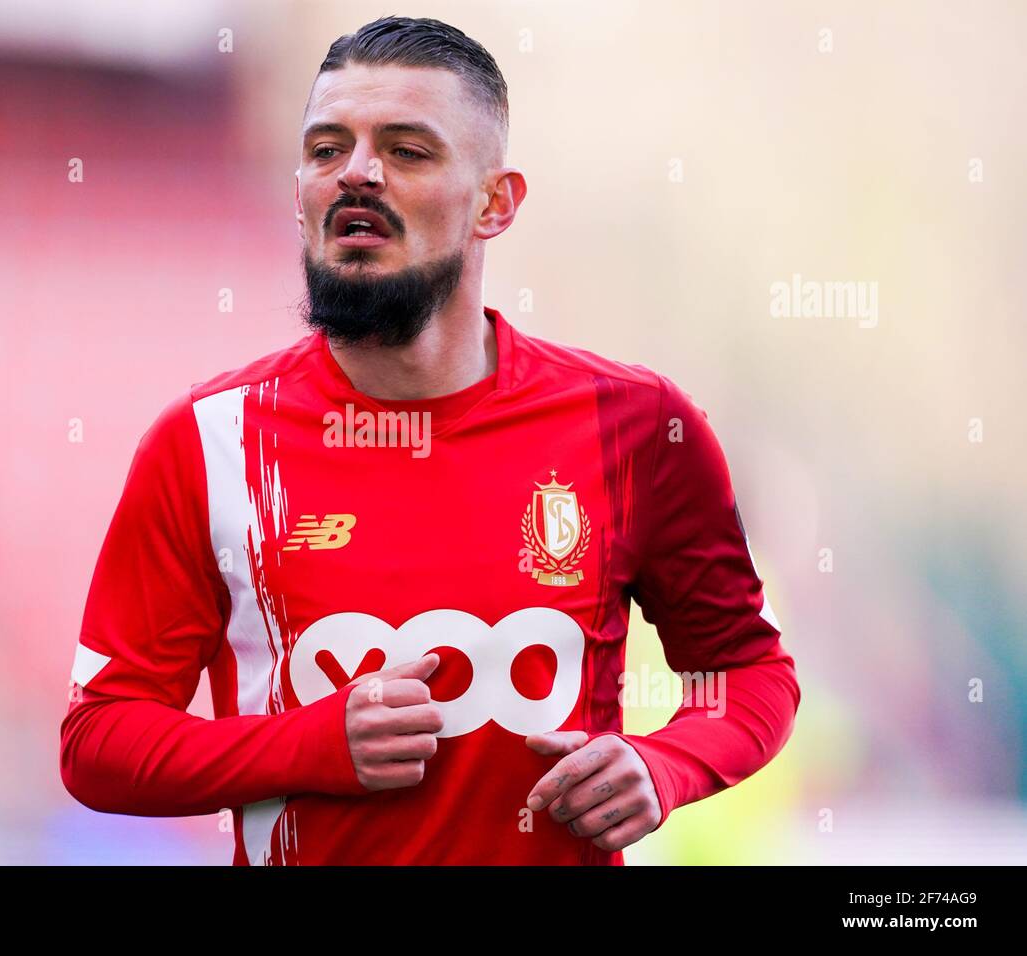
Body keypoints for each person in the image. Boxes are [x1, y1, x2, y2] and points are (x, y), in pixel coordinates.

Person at [59, 15, 799, 865]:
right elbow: (98, 741)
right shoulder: (209, 443)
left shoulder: (634, 429)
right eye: (327, 148)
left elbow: (748, 672)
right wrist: (309, 747)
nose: (357, 174)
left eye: (407, 151)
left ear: (495, 202)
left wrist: (664, 766)